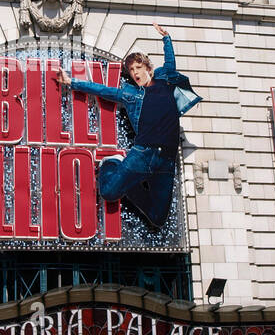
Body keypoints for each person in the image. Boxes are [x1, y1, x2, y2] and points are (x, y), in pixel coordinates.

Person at [58, 24, 201, 228]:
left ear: (149, 69)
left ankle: (129, 181)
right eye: (131, 70)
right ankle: (112, 163)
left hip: (167, 160)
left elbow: (170, 62)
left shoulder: (165, 80)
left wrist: (166, 38)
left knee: (159, 218)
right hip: (143, 154)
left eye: (138, 68)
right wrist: (72, 82)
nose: (135, 73)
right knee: (108, 192)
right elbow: (103, 90)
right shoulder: (131, 95)